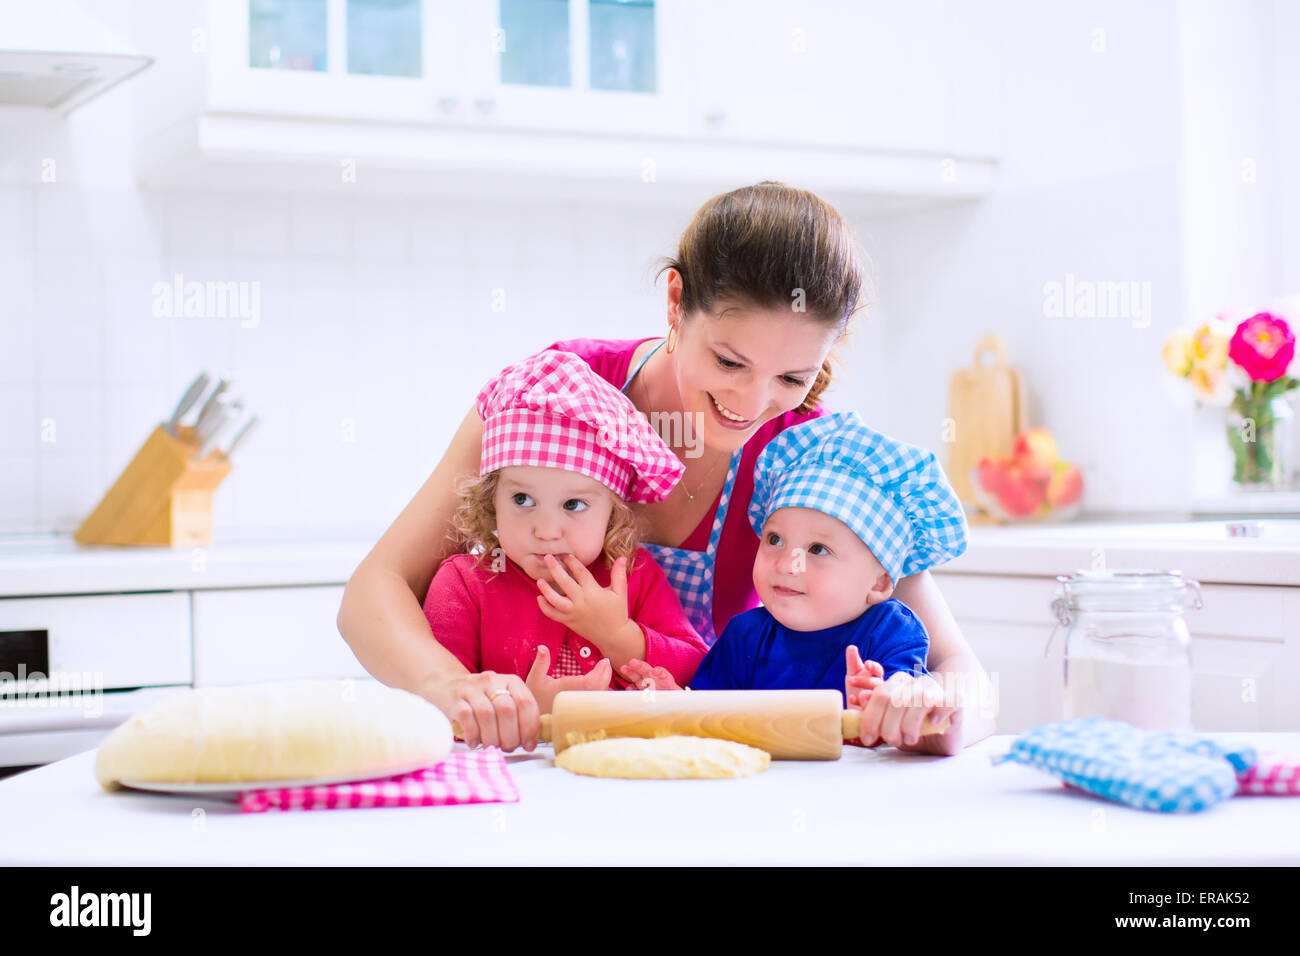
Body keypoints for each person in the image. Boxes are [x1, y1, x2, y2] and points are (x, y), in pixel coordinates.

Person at [338, 180, 996, 755]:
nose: (751, 403)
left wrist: (936, 705)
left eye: (792, 376)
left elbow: (957, 663)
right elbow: (373, 593)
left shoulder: (811, 459)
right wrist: (451, 687)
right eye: (730, 362)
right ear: (676, 302)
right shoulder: (555, 394)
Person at [620, 411, 969, 747]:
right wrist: (678, 702)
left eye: (818, 549)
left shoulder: (892, 632)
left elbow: (907, 712)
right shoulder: (746, 636)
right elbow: (710, 719)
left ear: (878, 584)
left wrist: (883, 701)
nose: (788, 563)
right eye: (774, 539)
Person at [421, 349, 709, 715]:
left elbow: (697, 670)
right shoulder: (464, 585)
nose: (545, 530)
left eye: (573, 505)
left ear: (613, 514)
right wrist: (526, 706)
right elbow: (442, 705)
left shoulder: (634, 575)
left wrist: (618, 635)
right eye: (522, 499)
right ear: (491, 500)